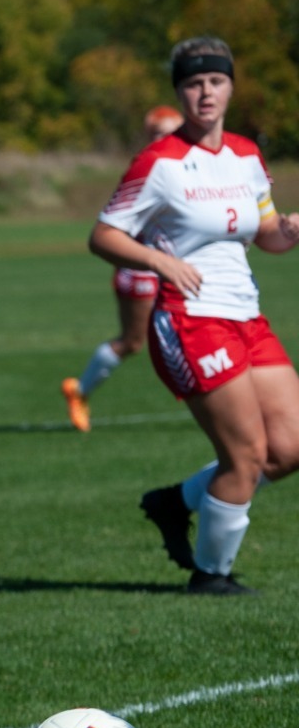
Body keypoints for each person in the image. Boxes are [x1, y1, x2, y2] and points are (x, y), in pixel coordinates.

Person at [93, 38, 299, 596]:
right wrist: (159, 259)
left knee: (289, 449)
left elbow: (265, 231)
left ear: (231, 86)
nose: (205, 92)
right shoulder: (157, 163)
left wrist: (289, 230)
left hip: (248, 317)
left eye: (215, 80)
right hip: (191, 320)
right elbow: (104, 235)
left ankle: (173, 503)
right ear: (179, 92)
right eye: (192, 82)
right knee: (246, 455)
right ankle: (212, 575)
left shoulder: (247, 155)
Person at [63, 107, 186, 432]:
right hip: (142, 268)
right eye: (161, 133)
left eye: (174, 131)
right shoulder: (147, 169)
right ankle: (80, 391)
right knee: (133, 341)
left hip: (172, 268)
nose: (169, 139)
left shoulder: (186, 165)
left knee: (189, 328)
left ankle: (196, 387)